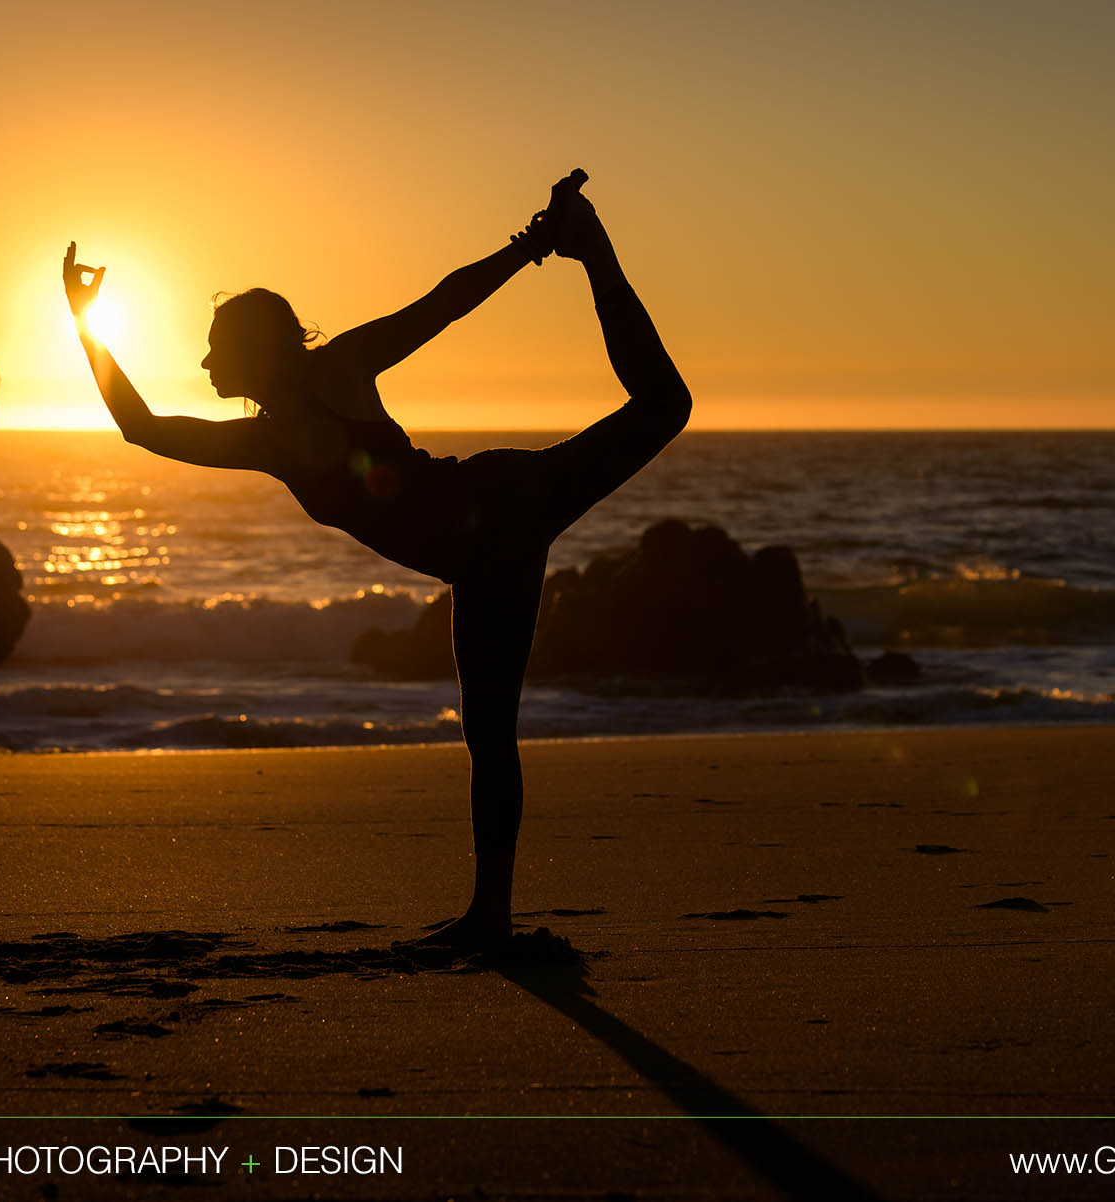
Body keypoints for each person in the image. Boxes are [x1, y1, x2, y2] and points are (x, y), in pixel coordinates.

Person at [63, 173, 690, 950]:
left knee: (665, 406)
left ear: (257, 350)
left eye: (216, 349)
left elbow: (442, 305)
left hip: (501, 505)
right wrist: (84, 323)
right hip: (486, 554)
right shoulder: (263, 442)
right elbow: (143, 426)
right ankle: (489, 918)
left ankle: (587, 243)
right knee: (489, 737)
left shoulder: (337, 373)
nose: (202, 364)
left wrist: (530, 248)